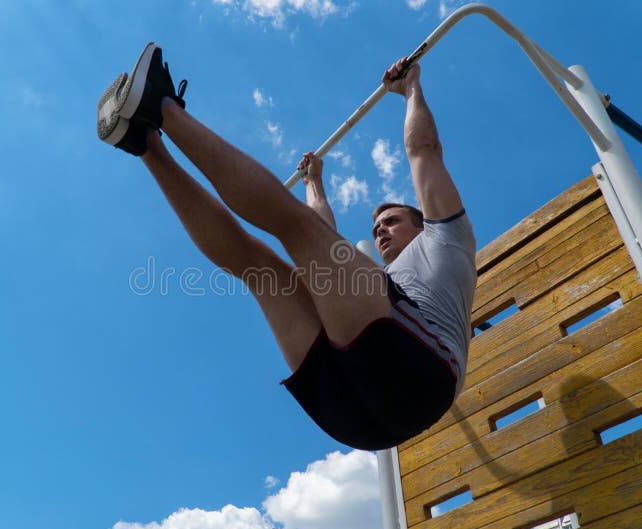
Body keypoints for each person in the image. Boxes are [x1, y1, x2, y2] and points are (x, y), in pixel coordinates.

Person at [96, 43, 476, 451]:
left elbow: (423, 152)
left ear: (421, 222)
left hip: (422, 378)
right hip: (354, 420)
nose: (380, 230)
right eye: (376, 224)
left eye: (392, 221)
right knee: (258, 267)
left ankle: (163, 108)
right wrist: (315, 183)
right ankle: (143, 142)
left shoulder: (446, 238)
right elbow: (318, 241)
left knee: (299, 230)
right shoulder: (382, 291)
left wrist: (412, 87)